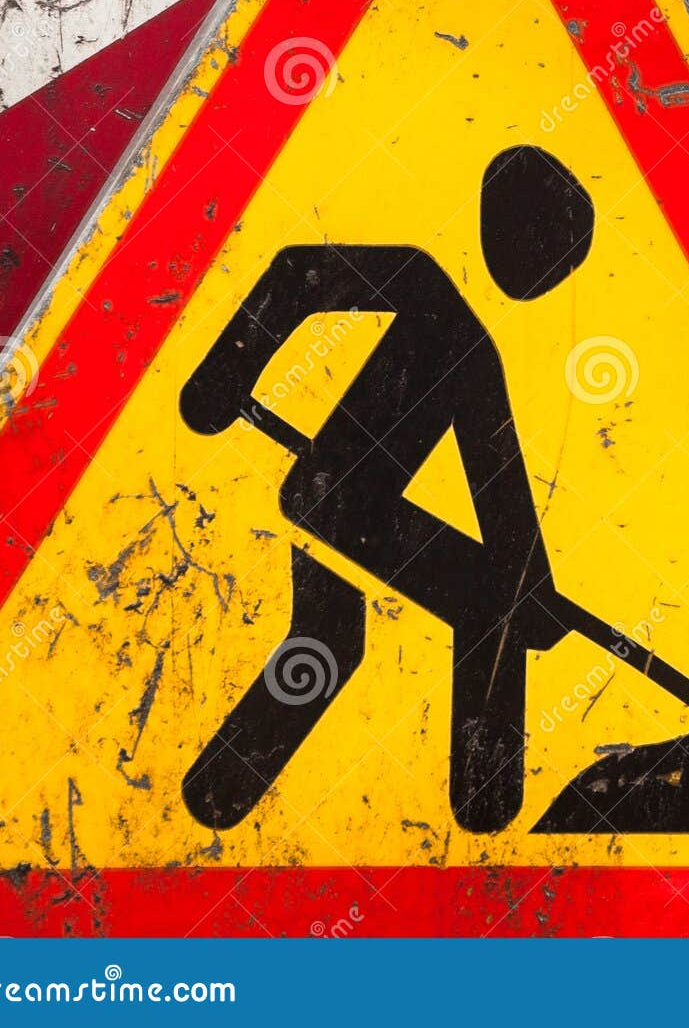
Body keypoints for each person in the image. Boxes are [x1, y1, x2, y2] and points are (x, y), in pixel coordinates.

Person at [180, 146, 595, 835]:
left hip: (350, 507)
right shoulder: (427, 286)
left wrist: (535, 586)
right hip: (333, 497)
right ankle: (484, 800)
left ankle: (216, 795)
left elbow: (498, 485)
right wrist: (220, 377)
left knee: (338, 636)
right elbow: (295, 275)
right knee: (480, 604)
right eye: (549, 252)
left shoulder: (476, 350)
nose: (550, 276)